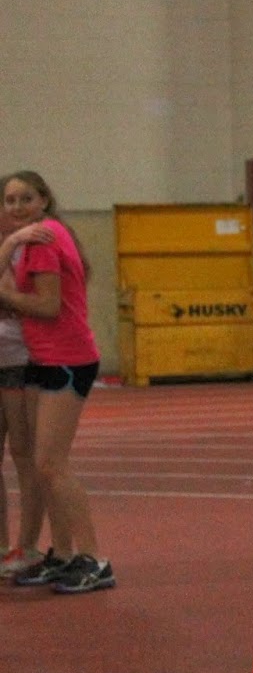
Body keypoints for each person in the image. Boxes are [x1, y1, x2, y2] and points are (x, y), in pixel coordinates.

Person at [0, 170, 112, 593]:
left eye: (25, 198)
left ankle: (94, 558)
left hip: (68, 359)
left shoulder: (45, 239)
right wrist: (9, 244)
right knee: (39, 463)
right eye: (9, 200)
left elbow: (47, 306)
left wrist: (8, 296)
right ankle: (63, 554)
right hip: (42, 359)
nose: (16, 207)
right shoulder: (25, 242)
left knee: (50, 463)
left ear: (44, 199)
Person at [0, 204, 45, 577]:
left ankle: (27, 545)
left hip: (18, 360)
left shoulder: (31, 245)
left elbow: (39, 302)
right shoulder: (12, 246)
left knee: (24, 454)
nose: (11, 209)